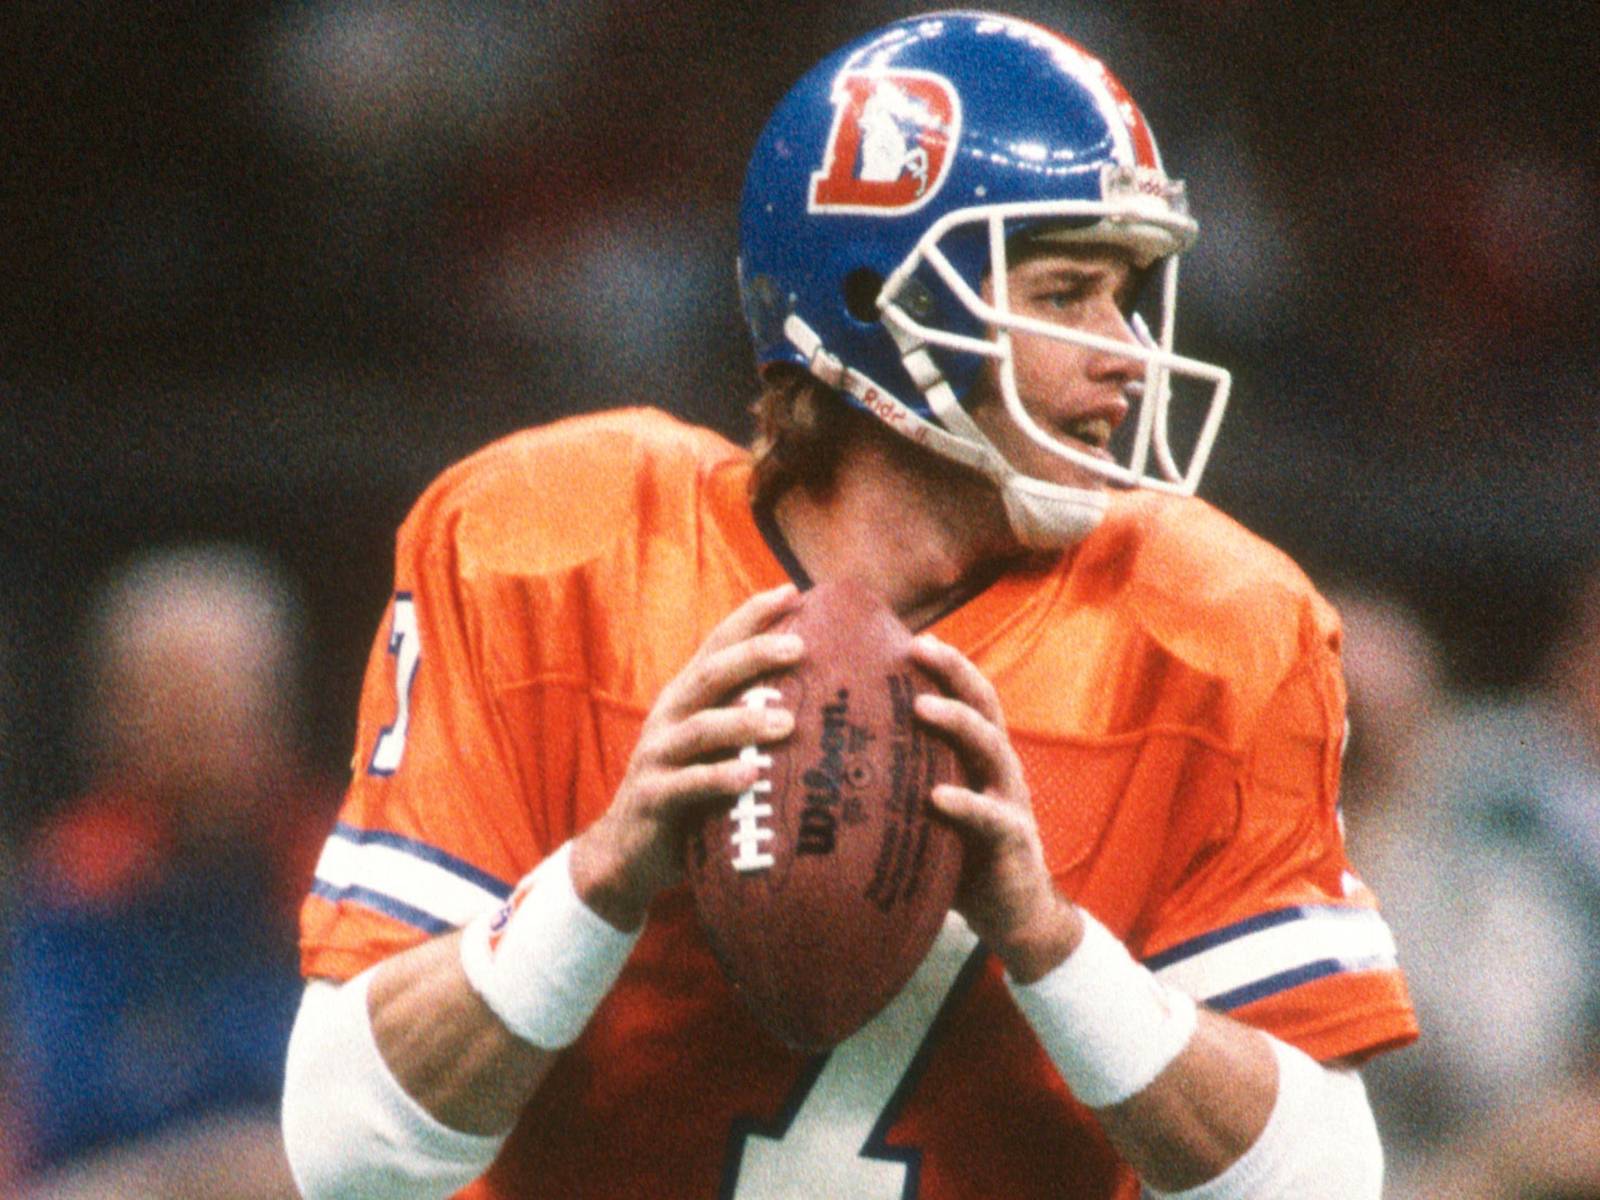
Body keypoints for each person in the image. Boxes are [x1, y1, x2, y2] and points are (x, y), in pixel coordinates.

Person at [282, 13, 1416, 1199]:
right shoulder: (550, 548)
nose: (1125, 352)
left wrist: (1049, 943)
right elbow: (346, 1154)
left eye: (1123, 295)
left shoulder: (1208, 623)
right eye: (1066, 292)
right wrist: (603, 877)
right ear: (877, 298)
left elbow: (1323, 1185)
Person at [10, 544, 332, 1199]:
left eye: (222, 699)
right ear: (114, 715)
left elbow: (364, 1077)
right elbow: (69, 1097)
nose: (199, 732)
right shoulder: (78, 876)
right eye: (169, 701)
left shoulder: (333, 863)